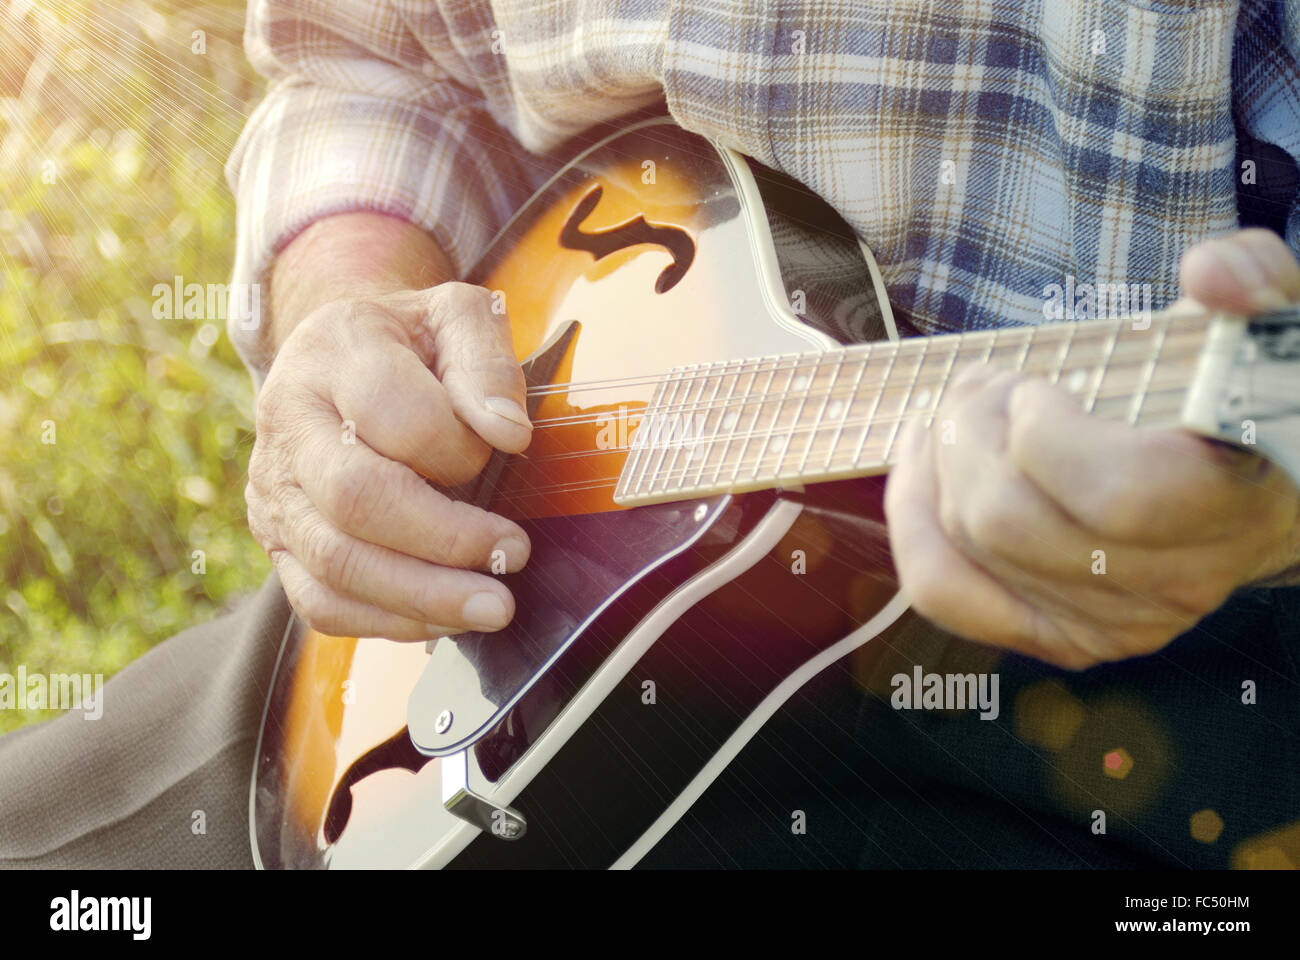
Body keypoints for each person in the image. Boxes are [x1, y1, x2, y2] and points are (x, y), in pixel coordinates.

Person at [2, 0, 1298, 869]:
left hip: (1136, 712)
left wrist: (1269, 497)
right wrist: (348, 305)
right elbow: (368, 61)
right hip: (485, 603)